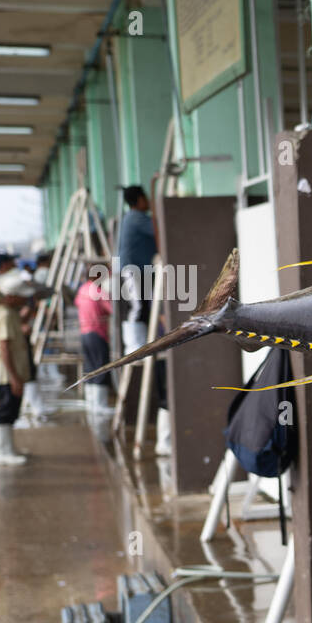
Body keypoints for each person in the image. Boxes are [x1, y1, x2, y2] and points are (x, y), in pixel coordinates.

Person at [118, 184, 170, 454]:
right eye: (146, 198)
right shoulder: (137, 219)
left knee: (143, 308)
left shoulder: (133, 219)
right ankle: (135, 343)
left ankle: (138, 341)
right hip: (134, 272)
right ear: (139, 200)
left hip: (137, 271)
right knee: (138, 308)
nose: (148, 201)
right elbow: (158, 232)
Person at [0, 270, 33, 465]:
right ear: (11, 296)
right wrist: (14, 376)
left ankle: (9, 448)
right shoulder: (4, 314)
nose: (24, 298)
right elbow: (4, 346)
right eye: (21, 295)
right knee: (5, 410)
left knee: (12, 410)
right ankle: (3, 452)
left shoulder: (9, 313)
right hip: (5, 372)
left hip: (11, 371)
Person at [75, 269, 114, 421]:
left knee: (90, 367)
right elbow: (112, 309)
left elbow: (78, 303)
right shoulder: (98, 291)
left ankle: (92, 404)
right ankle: (100, 406)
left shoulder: (83, 289)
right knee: (100, 367)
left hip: (84, 333)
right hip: (97, 333)